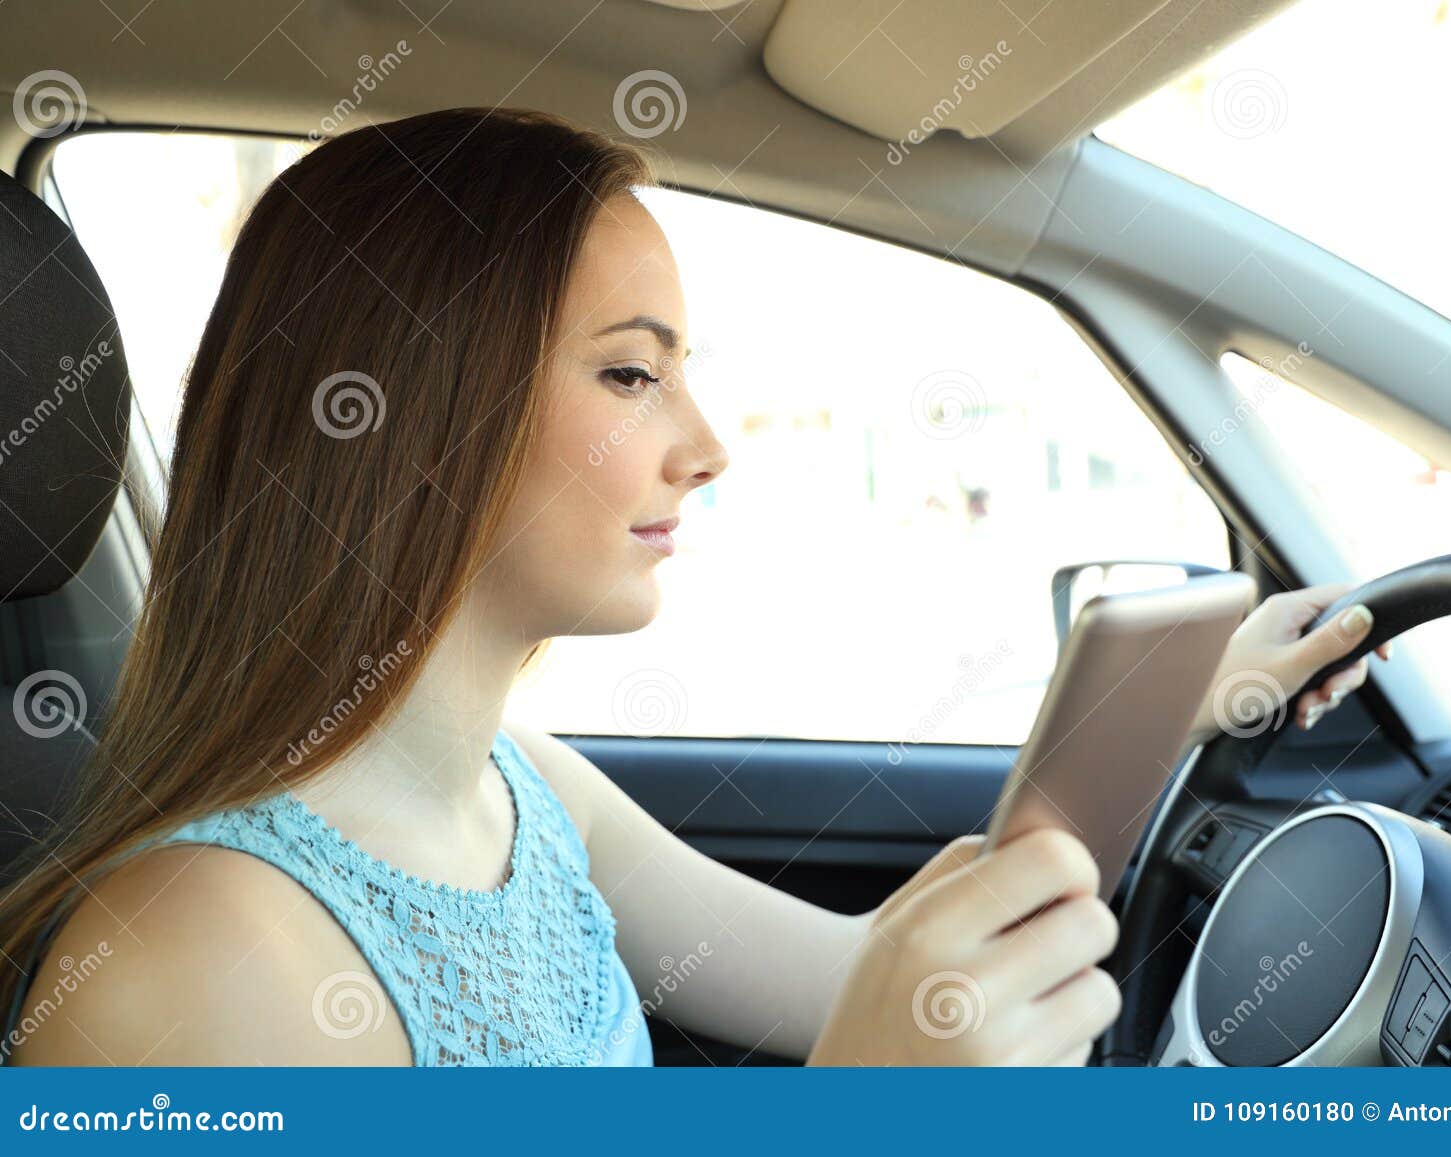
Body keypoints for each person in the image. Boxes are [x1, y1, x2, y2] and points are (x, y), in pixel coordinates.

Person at [0, 108, 1378, 1067]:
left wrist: (1166, 707)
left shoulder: (519, 788)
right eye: (629, 372)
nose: (706, 445)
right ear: (419, 416)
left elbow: (864, 984)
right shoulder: (177, 974)